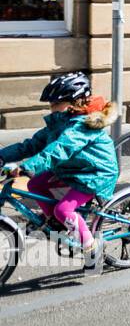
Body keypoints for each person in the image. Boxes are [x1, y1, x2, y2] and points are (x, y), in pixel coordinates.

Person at [0, 73, 116, 267]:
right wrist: (3, 156)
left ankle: (91, 247)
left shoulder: (81, 127)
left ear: (72, 103)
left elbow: (57, 151)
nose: (51, 108)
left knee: (63, 209)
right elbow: (31, 145)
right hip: (73, 169)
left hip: (94, 174)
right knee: (35, 183)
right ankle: (56, 222)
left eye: (55, 104)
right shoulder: (59, 122)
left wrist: (27, 167)